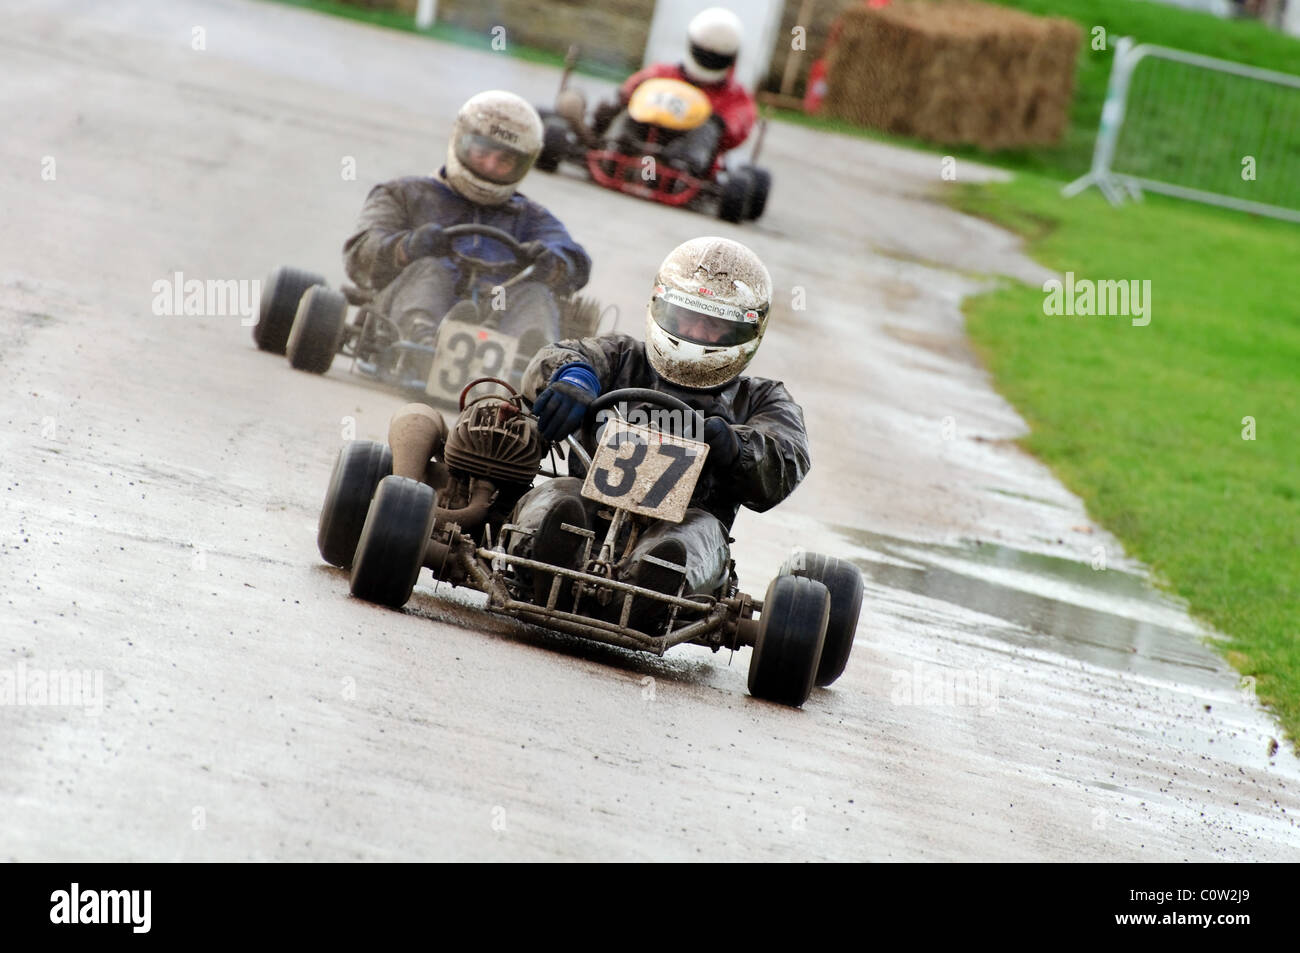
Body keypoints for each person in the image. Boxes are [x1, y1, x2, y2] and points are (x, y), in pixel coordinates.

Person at [510, 236, 810, 630]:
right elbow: (555, 356)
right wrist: (573, 377)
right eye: (687, 316)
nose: (698, 332)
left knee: (685, 541)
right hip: (583, 498)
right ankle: (547, 563)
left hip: (687, 520)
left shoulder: (762, 398)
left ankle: (648, 595)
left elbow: (786, 456)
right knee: (560, 500)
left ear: (746, 332)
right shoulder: (621, 356)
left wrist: (736, 446)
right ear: (660, 307)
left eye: (715, 324)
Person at [342, 90, 592, 349]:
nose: (490, 166)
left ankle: (532, 356)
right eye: (482, 152)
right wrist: (406, 247)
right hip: (405, 307)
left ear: (523, 164)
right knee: (429, 269)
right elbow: (360, 252)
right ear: (461, 140)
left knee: (535, 293)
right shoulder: (402, 194)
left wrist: (552, 263)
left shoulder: (530, 216)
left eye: (505, 160)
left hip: (497, 311)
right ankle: (421, 338)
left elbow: (574, 258)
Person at [594, 7, 757, 178]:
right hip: (642, 136)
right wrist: (630, 97)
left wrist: (719, 122)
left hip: (683, 150)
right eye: (705, 54)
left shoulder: (735, 96)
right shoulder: (661, 74)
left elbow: (737, 127)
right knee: (630, 109)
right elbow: (628, 92)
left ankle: (682, 170)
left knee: (708, 128)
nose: (709, 59)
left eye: (715, 57)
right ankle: (615, 149)